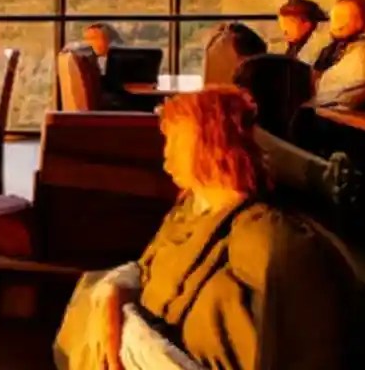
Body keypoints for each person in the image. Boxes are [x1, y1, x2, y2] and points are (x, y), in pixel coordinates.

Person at [54, 88, 347, 370]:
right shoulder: (190, 207)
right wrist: (113, 293)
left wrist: (130, 335)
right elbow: (146, 267)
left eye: (176, 142)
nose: (166, 156)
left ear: (211, 142)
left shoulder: (271, 240)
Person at [312, 0, 365, 111]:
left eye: (343, 18)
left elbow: (343, 95)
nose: (338, 25)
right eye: (334, 18)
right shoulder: (328, 51)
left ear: (362, 22)